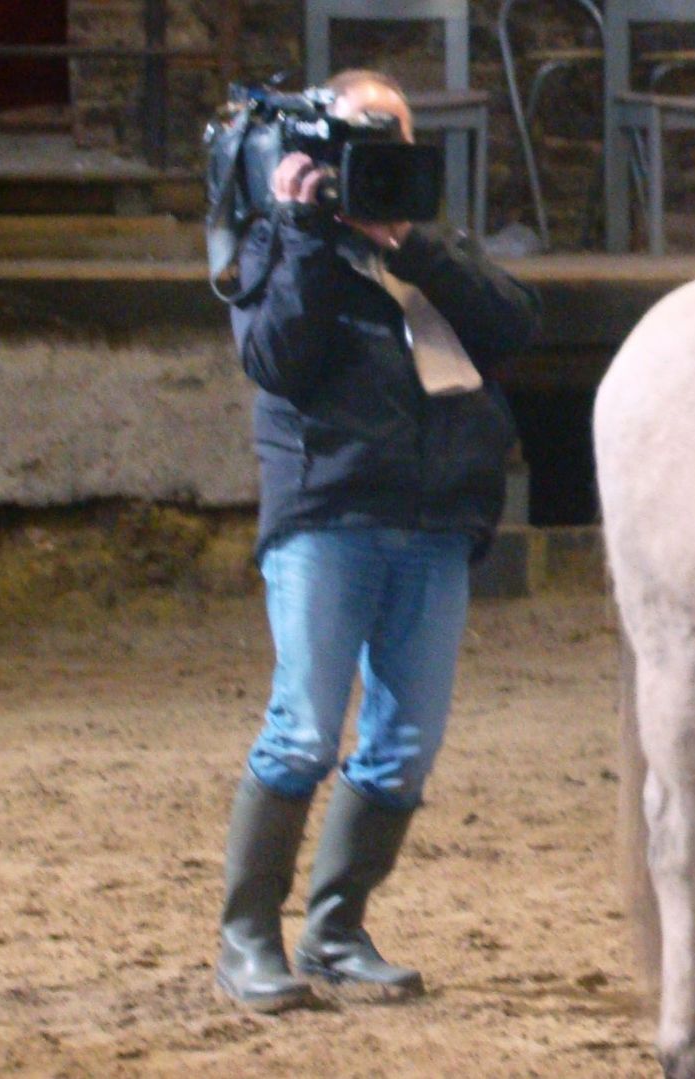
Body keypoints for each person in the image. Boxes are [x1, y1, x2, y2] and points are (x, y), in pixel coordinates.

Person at [215, 69, 539, 1012]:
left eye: (391, 143)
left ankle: (336, 929)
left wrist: (415, 245)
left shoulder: (424, 240)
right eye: (360, 141)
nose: (375, 162)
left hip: (435, 522)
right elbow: (275, 358)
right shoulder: (275, 238)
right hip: (329, 512)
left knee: (404, 745)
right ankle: (246, 939)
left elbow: (515, 324)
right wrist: (305, 232)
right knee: (306, 727)